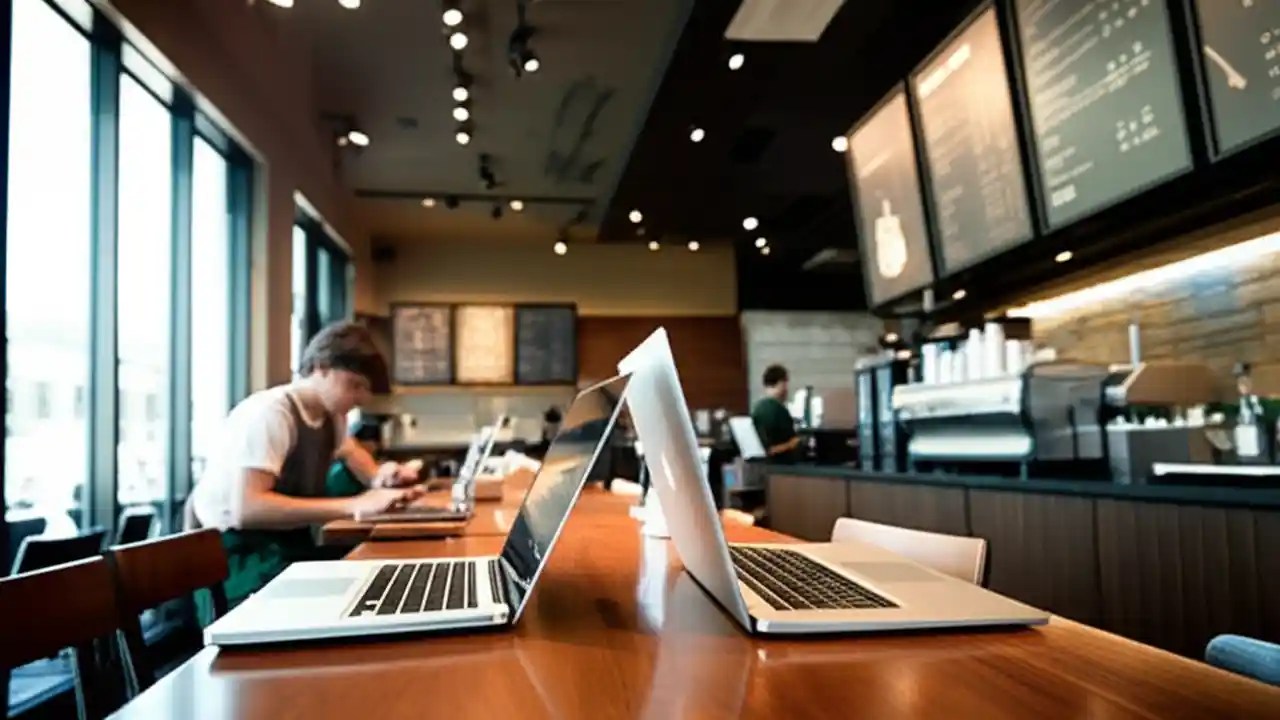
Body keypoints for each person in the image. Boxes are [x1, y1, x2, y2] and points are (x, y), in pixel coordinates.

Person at [189, 321, 422, 609]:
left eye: (365, 389)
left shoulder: (331, 417)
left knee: (381, 587)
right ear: (321, 367)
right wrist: (354, 505)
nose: (361, 397)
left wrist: (380, 479)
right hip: (237, 561)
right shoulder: (271, 414)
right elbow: (248, 508)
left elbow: (350, 451)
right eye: (354, 385)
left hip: (286, 548)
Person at [750, 364, 801, 462]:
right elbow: (792, 440)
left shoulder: (757, 408)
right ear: (781, 383)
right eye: (785, 383)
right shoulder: (778, 409)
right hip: (780, 465)